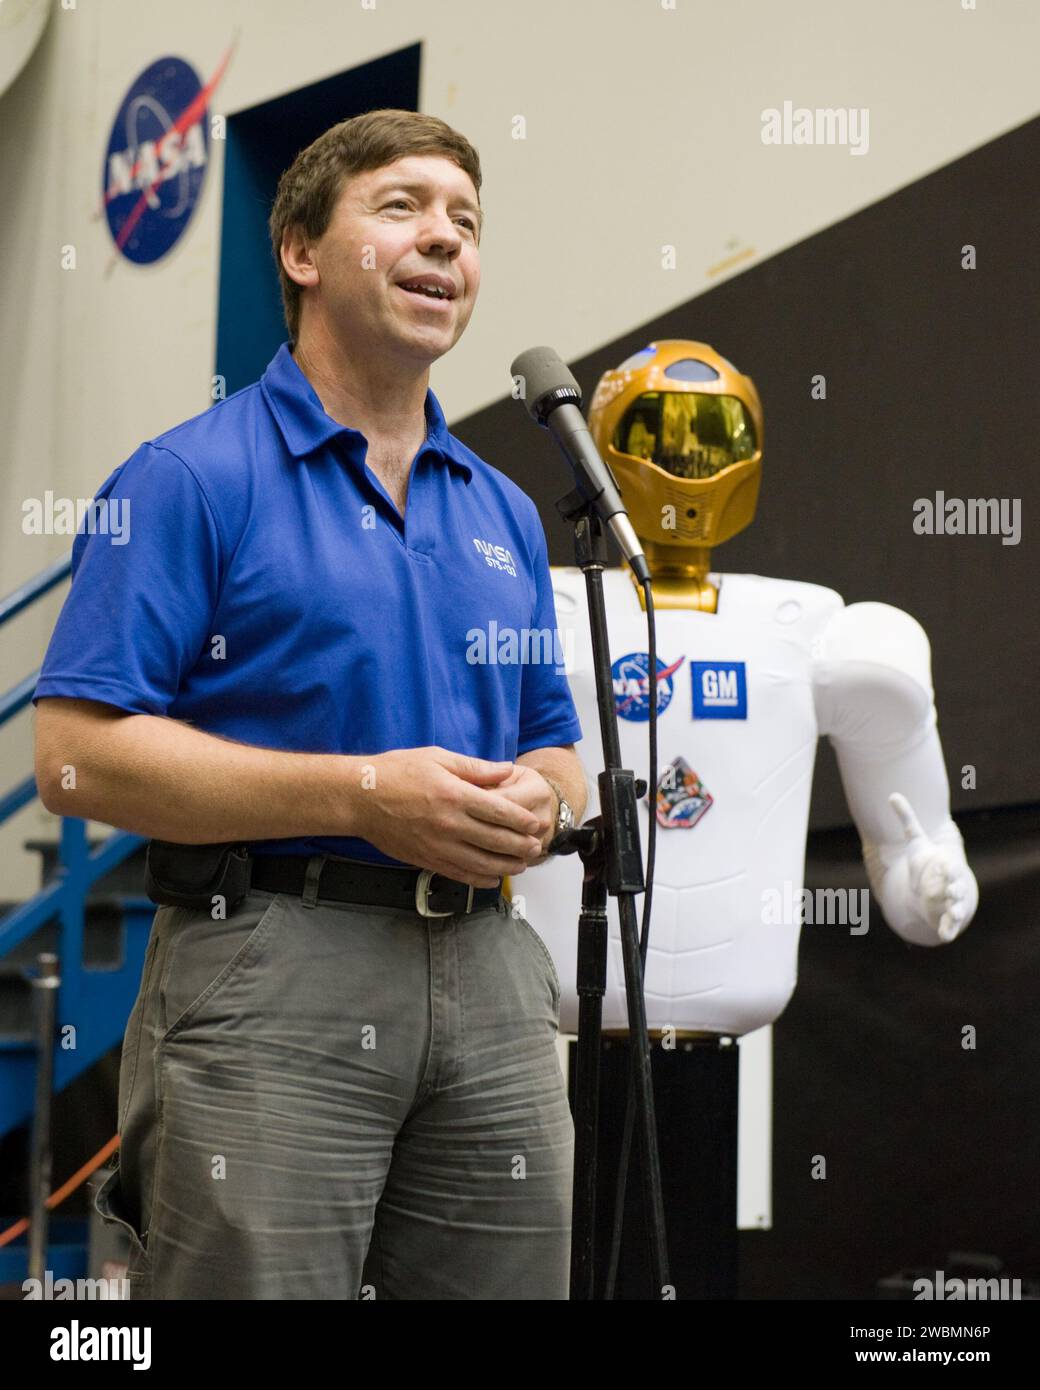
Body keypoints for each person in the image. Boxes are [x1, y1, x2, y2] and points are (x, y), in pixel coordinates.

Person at [32, 108, 587, 1301]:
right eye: (401, 208)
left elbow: (554, 744)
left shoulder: (503, 508)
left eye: (467, 222)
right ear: (298, 251)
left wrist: (534, 805)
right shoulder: (189, 478)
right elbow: (72, 758)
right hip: (275, 956)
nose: (444, 239)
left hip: (492, 973)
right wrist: (360, 794)